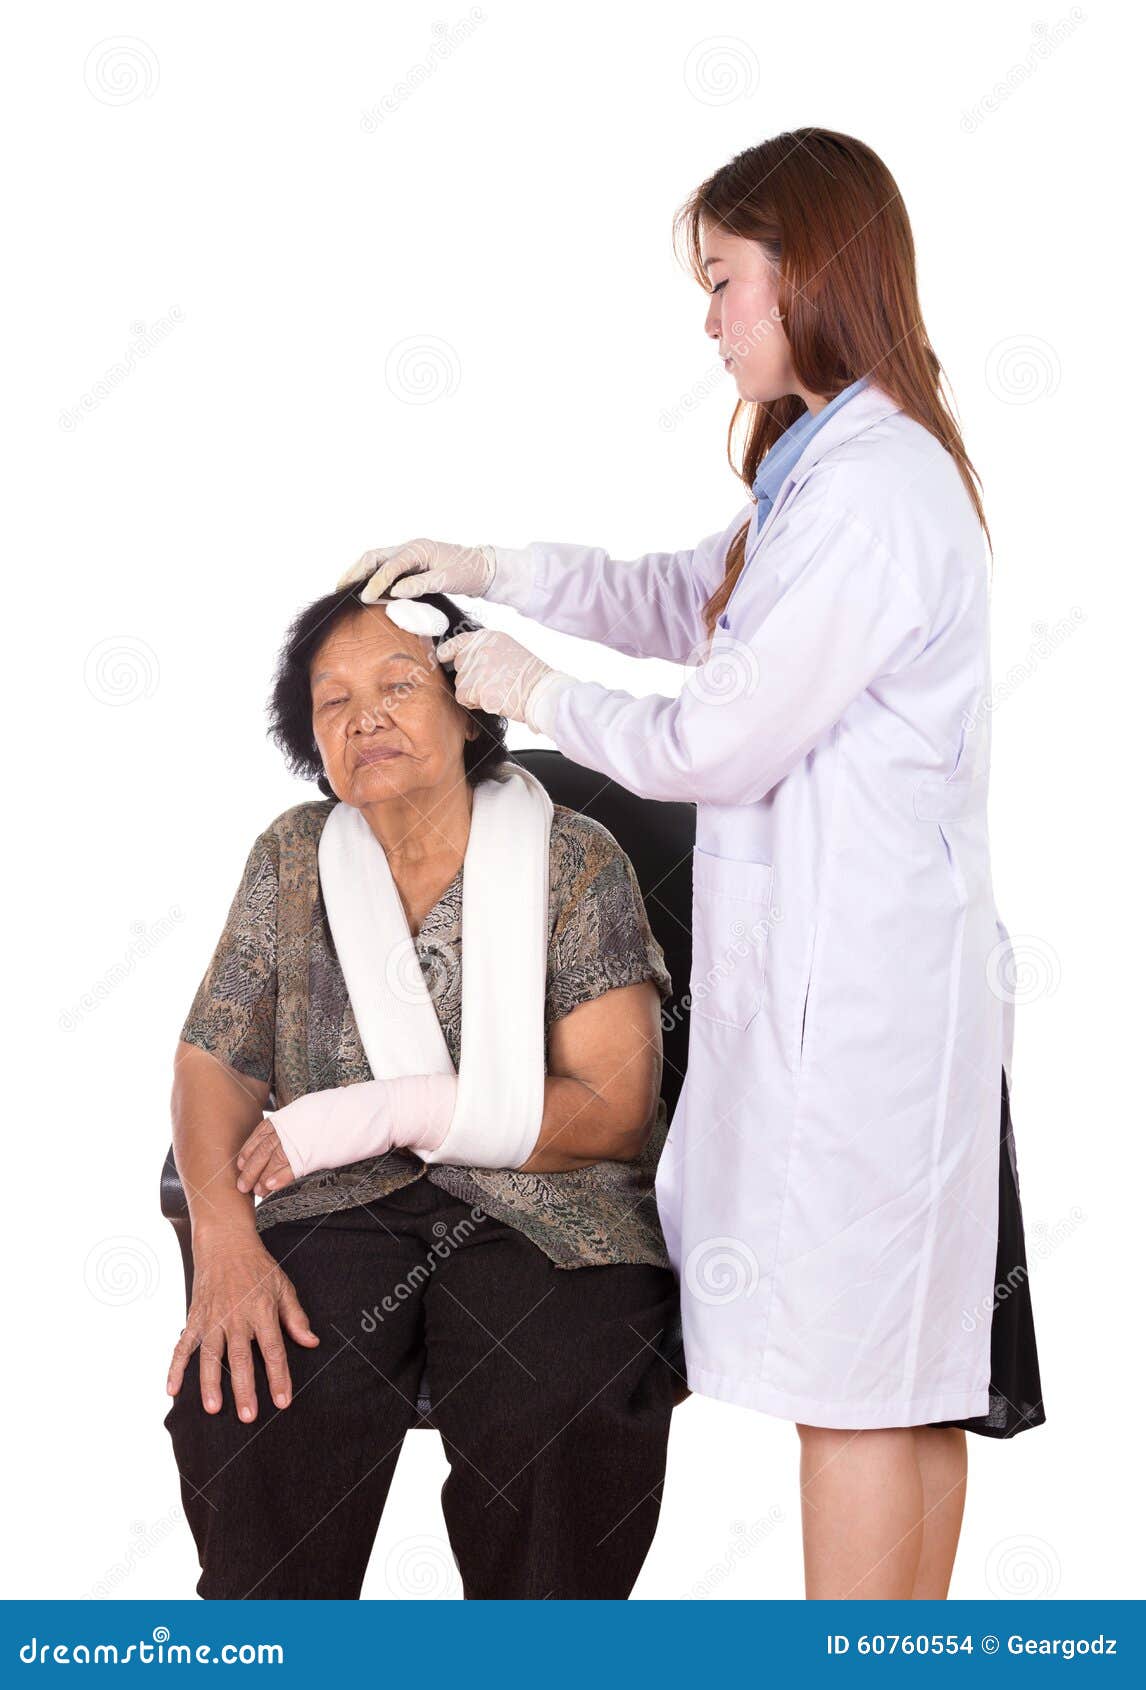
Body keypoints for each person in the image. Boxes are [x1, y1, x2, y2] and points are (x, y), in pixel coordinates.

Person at [340, 127, 1046, 1600]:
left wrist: (531, 694)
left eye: (724, 279)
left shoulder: (867, 492)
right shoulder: (836, 463)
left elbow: (713, 741)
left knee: (854, 1387)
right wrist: (497, 567)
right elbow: (691, 598)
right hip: (876, 1012)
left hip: (852, 1018)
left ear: (809, 274)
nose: (709, 315)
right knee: (902, 1377)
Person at [163, 583, 681, 1600]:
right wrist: (223, 1243)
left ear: (469, 706)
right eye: (331, 700)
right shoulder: (292, 856)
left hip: (551, 1208)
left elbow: (614, 1110)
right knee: (248, 1399)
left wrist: (399, 1108)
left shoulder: (576, 858)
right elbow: (212, 1060)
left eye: (399, 684)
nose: (365, 717)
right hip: (342, 1205)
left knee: (555, 1412)